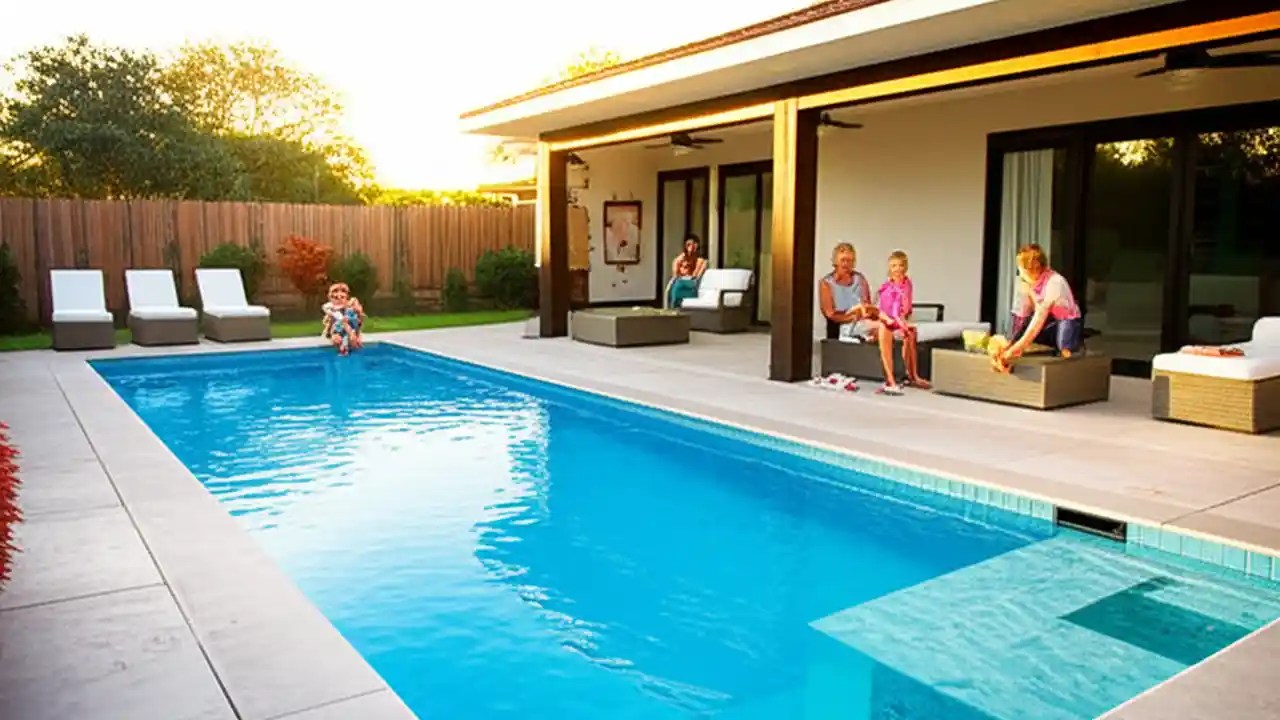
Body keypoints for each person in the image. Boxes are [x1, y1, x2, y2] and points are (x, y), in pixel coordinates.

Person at [992, 243, 1082, 373]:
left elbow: (1039, 318)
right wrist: (1010, 343)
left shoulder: (1054, 282)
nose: (1020, 274)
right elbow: (1022, 314)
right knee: (1024, 325)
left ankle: (1070, 349)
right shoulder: (1029, 283)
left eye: (1021, 271)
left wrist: (1017, 348)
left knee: (1064, 343)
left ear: (1032, 270)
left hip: (1066, 321)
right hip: (1048, 320)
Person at [877, 250, 930, 389]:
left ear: (905, 267)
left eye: (900, 265)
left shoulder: (907, 285)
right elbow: (880, 310)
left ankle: (913, 375)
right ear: (890, 268)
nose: (897, 269)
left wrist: (902, 322)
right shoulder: (886, 287)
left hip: (898, 320)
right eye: (894, 266)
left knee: (910, 333)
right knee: (884, 330)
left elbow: (906, 308)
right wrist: (890, 321)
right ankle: (890, 379)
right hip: (884, 318)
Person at [322, 282, 366, 356]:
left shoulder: (351, 306)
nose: (339, 299)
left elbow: (358, 321)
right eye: (336, 298)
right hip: (339, 330)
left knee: (352, 341)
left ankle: (346, 346)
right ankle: (343, 347)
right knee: (338, 339)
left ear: (346, 296)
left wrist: (357, 335)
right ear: (331, 298)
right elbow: (326, 309)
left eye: (342, 297)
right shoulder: (331, 308)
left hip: (350, 329)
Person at [667, 234, 707, 308]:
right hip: (680, 284)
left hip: (692, 286)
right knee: (677, 284)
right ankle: (675, 306)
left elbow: (696, 277)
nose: (691, 247)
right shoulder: (678, 260)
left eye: (693, 244)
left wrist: (692, 265)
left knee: (681, 285)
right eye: (688, 245)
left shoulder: (701, 262)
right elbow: (675, 275)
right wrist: (679, 263)